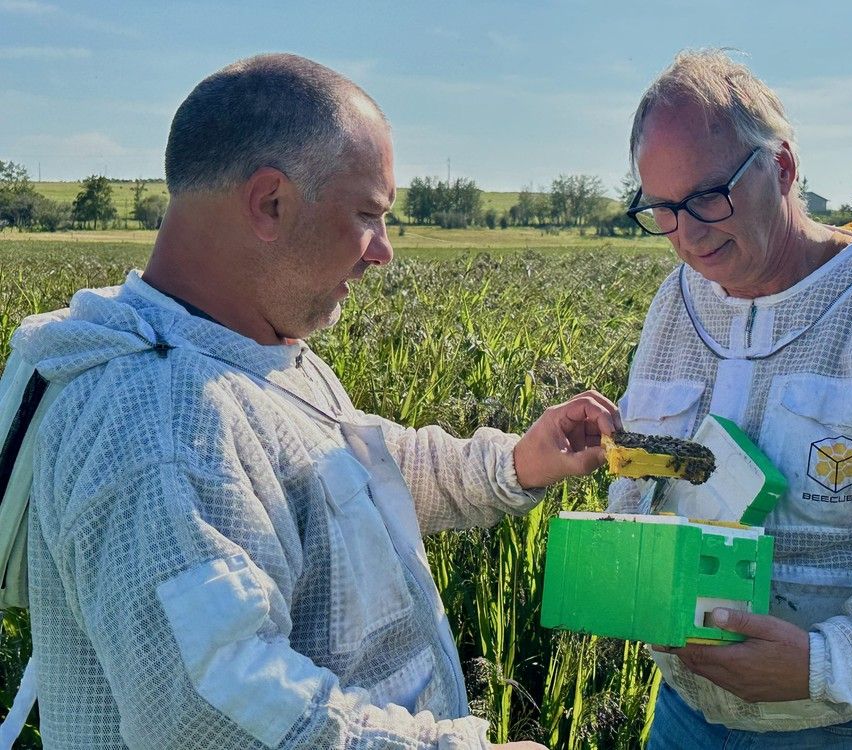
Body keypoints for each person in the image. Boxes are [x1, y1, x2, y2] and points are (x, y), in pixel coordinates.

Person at [11, 53, 618, 750]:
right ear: (270, 203)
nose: (383, 251)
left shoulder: (252, 352)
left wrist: (515, 463)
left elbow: (352, 468)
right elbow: (217, 712)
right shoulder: (161, 422)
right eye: (368, 214)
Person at [609, 49, 852, 748]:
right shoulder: (676, 304)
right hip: (688, 715)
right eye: (663, 210)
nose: (688, 235)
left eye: (707, 197)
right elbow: (645, 475)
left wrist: (825, 664)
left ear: (782, 168)